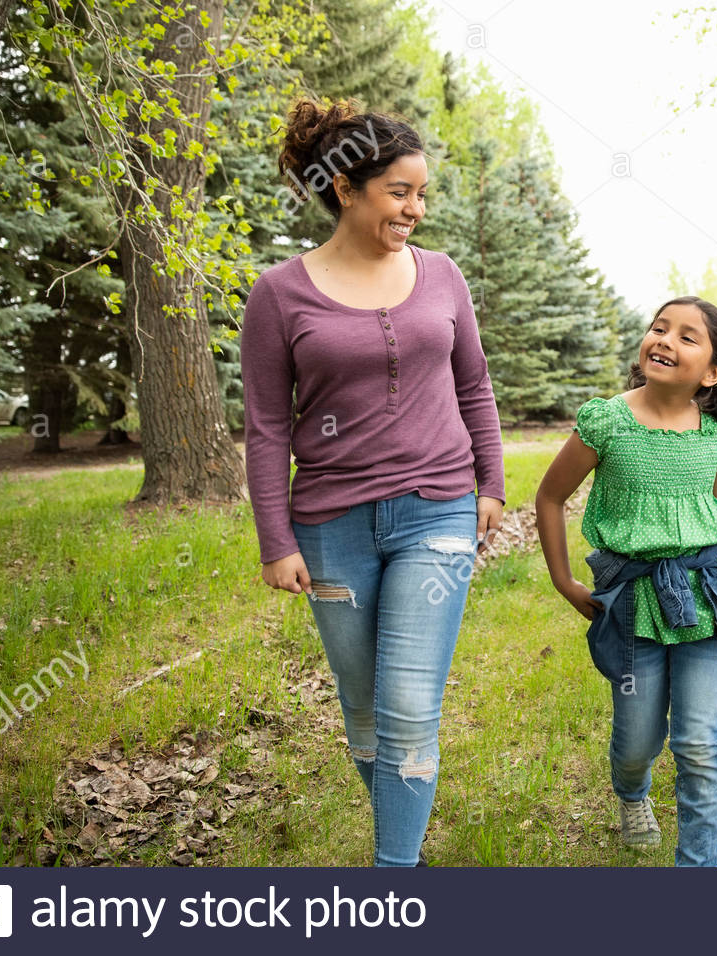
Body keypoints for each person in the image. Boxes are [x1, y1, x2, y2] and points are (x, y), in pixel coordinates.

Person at [240, 98, 505, 867]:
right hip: (331, 528)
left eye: (422, 194)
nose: (415, 209)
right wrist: (275, 541)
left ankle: (394, 881)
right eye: (400, 192)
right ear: (346, 188)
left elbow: (476, 387)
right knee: (364, 714)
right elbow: (264, 427)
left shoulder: (442, 276)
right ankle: (404, 841)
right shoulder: (279, 295)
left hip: (438, 510)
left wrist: (490, 483)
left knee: (411, 707)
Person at [536, 296, 717, 867]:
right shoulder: (607, 420)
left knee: (697, 743)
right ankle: (632, 793)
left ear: (714, 371)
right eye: (660, 328)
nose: (665, 340)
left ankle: (697, 866)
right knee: (639, 738)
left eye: (688, 336)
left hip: (706, 597)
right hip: (633, 599)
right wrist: (565, 582)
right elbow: (550, 495)